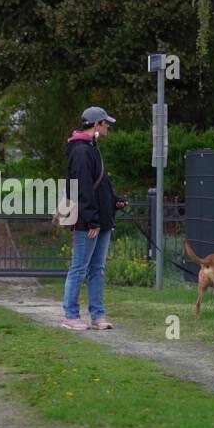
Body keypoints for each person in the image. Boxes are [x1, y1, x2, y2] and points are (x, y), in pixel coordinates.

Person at [61, 107, 127, 330]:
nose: (108, 126)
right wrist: (92, 221)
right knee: (79, 268)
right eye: (106, 123)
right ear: (96, 124)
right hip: (89, 222)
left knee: (97, 269)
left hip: (100, 219)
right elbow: (83, 190)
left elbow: (100, 185)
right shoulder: (81, 151)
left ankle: (98, 316)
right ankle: (70, 316)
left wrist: (114, 200)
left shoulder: (91, 148)